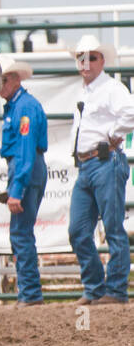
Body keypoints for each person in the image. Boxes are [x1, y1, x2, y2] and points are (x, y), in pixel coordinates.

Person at [68, 35, 134, 305]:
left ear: (101, 61)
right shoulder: (90, 91)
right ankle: (96, 287)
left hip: (105, 161)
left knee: (112, 227)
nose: (86, 63)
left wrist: (113, 134)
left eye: (91, 57)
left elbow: (130, 113)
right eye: (81, 58)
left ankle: (114, 290)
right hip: (89, 163)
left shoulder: (111, 88)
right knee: (78, 230)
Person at [0, 56, 48, 307]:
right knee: (21, 232)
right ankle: (29, 292)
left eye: (3, 79)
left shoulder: (23, 108)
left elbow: (25, 151)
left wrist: (16, 189)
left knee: (20, 233)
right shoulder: (20, 105)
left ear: (16, 79)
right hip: (28, 169)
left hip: (25, 170)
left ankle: (30, 294)